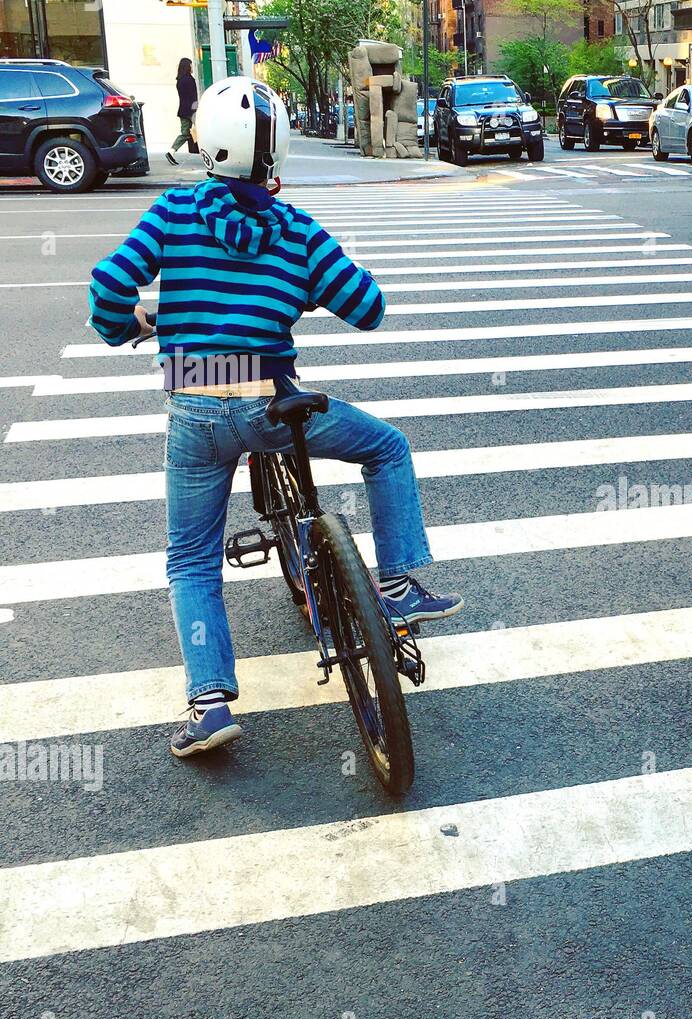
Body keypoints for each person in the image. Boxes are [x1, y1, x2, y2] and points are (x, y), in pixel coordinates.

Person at [89, 76, 464, 760]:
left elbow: (109, 285)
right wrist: (309, 291)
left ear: (206, 142)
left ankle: (209, 706)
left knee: (192, 557)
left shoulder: (173, 214)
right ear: (278, 153)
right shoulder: (297, 231)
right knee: (387, 449)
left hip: (196, 408)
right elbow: (369, 307)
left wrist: (131, 323)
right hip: (275, 406)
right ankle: (399, 582)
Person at [165, 57, 200, 166]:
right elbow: (193, 97)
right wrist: (196, 109)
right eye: (191, 65)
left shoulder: (180, 80)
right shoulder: (189, 80)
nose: (192, 67)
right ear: (187, 66)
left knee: (186, 133)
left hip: (183, 110)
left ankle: (172, 152)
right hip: (191, 111)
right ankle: (171, 152)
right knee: (200, 131)